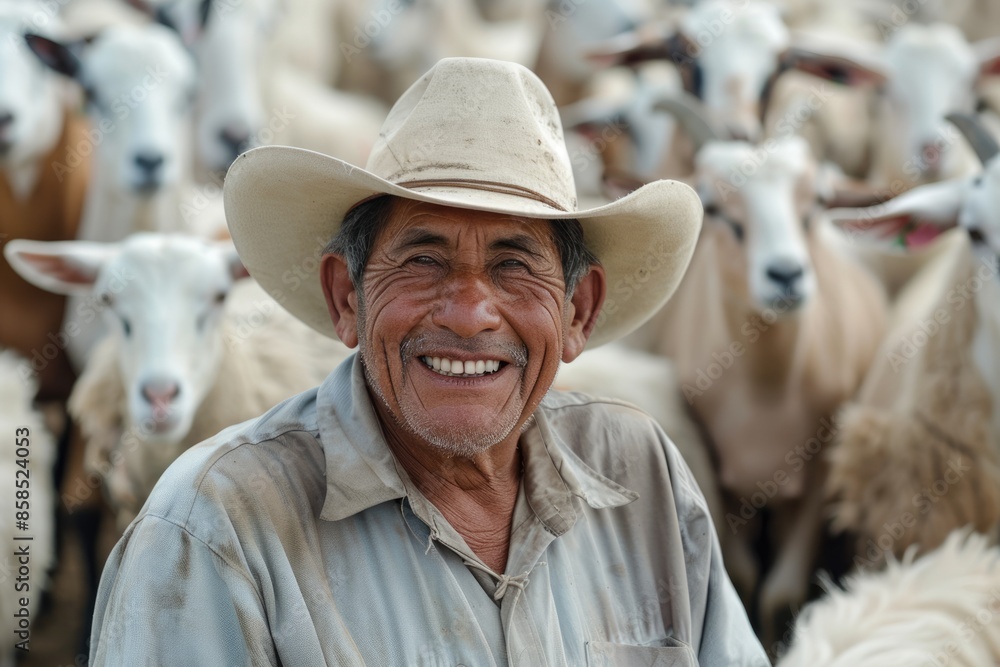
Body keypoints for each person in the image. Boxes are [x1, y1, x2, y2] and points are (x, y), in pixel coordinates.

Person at [88, 57, 768, 666]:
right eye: (422, 260)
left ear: (578, 312)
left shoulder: (638, 472)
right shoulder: (216, 527)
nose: (469, 314)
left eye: (513, 265)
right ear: (345, 297)